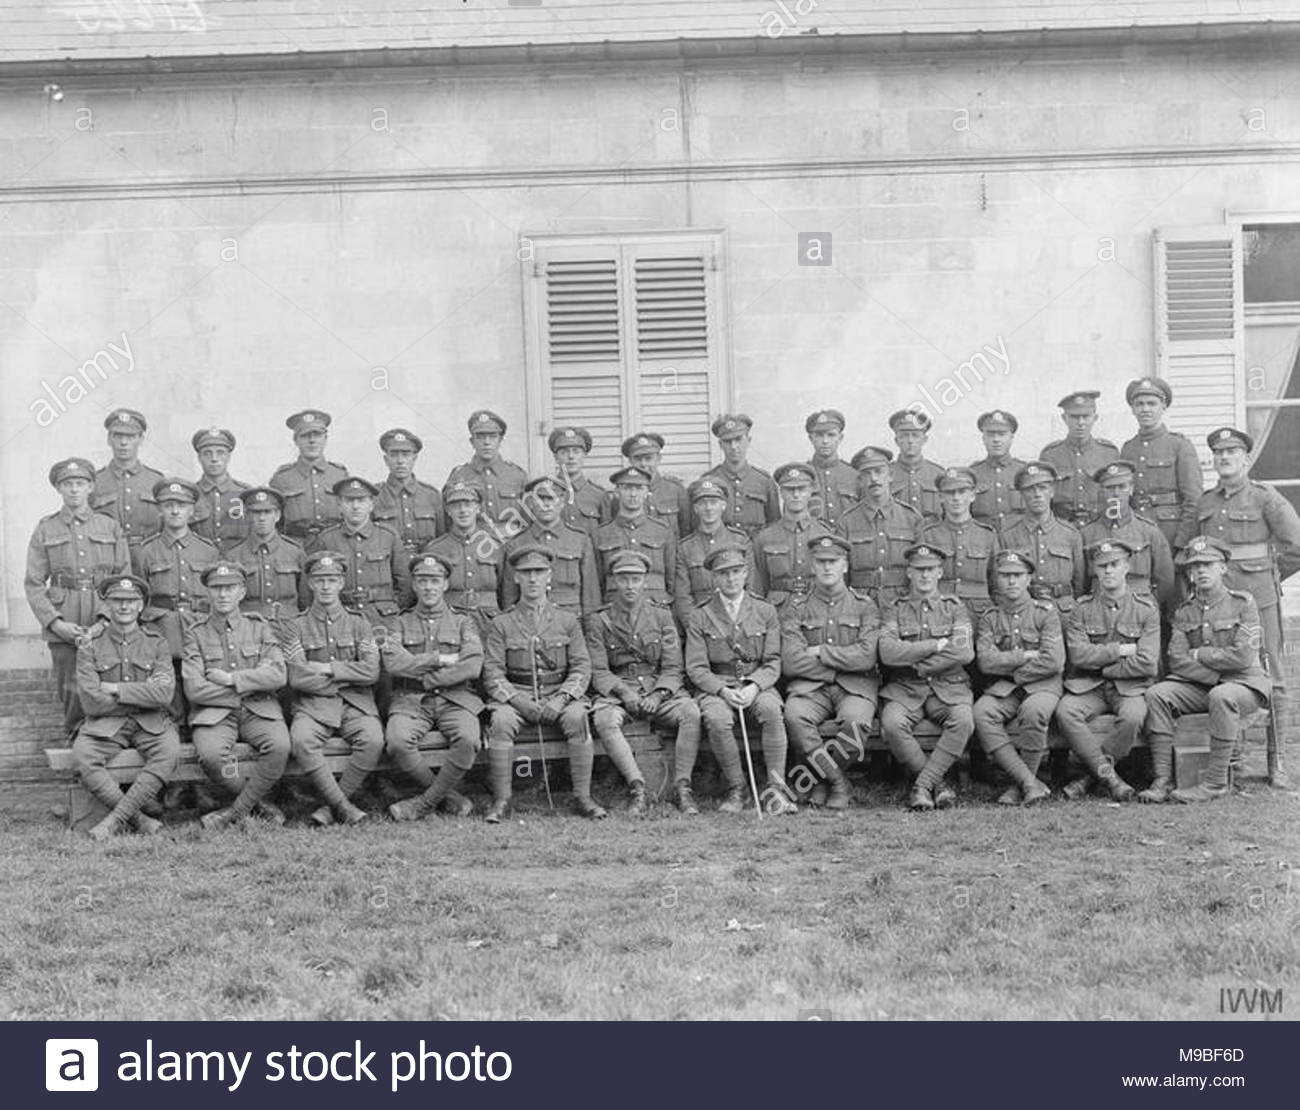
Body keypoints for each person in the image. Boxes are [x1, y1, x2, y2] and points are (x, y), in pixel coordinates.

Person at [1195, 426, 1300, 787]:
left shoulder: (1265, 498)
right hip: (1219, 605)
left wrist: (1267, 576)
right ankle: (1233, 760)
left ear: (1246, 458)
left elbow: (1296, 545)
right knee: (1225, 673)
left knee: (1273, 678)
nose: (1225, 458)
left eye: (1232, 452)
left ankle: (1277, 763)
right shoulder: (1206, 502)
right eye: (1219, 453)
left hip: (1260, 599)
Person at [1144, 536, 1272, 803]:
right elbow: (1177, 659)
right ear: (1189, 573)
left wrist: (1200, 654)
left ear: (1223, 568)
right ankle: (1162, 780)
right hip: (1204, 686)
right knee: (1157, 694)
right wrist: (1214, 674)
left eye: (1208, 564)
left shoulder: (1243, 603)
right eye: (1195, 567)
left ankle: (1214, 783)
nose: (1201, 571)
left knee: (1222, 695)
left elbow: (1242, 657)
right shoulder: (1185, 611)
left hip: (1246, 687)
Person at [482, 546, 604, 822]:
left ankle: (582, 797)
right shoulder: (502, 623)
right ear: (516, 578)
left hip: (557, 694)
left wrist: (561, 699)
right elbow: (492, 673)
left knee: (577, 717)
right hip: (518, 696)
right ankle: (502, 800)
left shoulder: (567, 620)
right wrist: (519, 701)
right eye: (526, 573)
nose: (533, 579)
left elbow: (582, 667)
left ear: (549, 576)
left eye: (539, 572)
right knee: (500, 722)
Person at [684, 545, 799, 815]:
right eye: (723, 574)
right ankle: (738, 789)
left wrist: (754, 686)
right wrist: (722, 691)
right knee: (716, 718)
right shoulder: (700, 615)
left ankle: (777, 790)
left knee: (772, 710)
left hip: (757, 682)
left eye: (736, 572)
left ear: (746, 573)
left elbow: (772, 661)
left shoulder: (765, 610)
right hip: (717, 685)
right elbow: (697, 667)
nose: (731, 579)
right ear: (714, 578)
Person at [588, 550, 702, 815]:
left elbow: (673, 666)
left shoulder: (662, 616)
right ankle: (637, 788)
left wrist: (659, 694)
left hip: (656, 691)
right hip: (619, 693)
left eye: (636, 579)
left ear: (645, 581)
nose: (630, 586)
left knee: (691, 712)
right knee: (604, 719)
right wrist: (624, 691)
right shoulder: (599, 620)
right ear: (614, 581)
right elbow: (599, 670)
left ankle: (682, 788)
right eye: (624, 579)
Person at [181, 563, 290, 830]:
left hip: (259, 710)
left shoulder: (259, 628)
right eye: (216, 588)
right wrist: (251, 683)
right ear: (207, 592)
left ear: (241, 592)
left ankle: (234, 811)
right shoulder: (196, 633)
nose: (223, 595)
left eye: (229, 588)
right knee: (215, 758)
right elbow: (194, 688)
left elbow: (278, 675)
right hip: (216, 713)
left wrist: (233, 680)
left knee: (279, 747)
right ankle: (257, 805)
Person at [26, 457, 130, 735]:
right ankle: (76, 744)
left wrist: (105, 622)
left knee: (109, 682)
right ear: (59, 488)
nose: (74, 489)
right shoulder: (46, 528)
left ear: (91, 487)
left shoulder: (109, 527)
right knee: (71, 690)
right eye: (68, 484)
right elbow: (34, 584)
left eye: (80, 483)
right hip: (64, 618)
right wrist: (56, 624)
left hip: (104, 616)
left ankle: (110, 743)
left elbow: (123, 579)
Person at [71, 574, 179, 840]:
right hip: (106, 725)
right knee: (84, 755)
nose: (124, 607)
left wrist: (117, 689)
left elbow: (164, 694)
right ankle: (140, 818)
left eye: (131, 601)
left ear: (141, 605)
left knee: (169, 752)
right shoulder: (91, 646)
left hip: (150, 723)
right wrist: (143, 695)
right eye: (117, 600)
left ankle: (114, 820)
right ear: (106, 605)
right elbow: (90, 701)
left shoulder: (157, 642)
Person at [281, 551, 381, 826]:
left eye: (332, 579)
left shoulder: (360, 623)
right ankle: (342, 806)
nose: (326, 586)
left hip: (356, 704)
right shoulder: (295, 627)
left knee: (373, 740)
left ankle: (329, 808)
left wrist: (327, 669)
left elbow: (372, 672)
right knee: (301, 740)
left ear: (341, 583)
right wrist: (349, 674)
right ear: (310, 584)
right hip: (313, 705)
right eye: (320, 580)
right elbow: (298, 678)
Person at [1054, 540, 1159, 802]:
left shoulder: (1146, 609)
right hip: (1090, 686)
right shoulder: (1082, 608)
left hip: (1128, 687)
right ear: (1095, 572)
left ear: (1127, 567)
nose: (1108, 571)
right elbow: (1079, 656)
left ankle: (1091, 777)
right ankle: (1111, 779)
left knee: (1134, 716)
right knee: (1066, 711)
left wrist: (1102, 664)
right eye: (1102, 566)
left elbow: (1147, 662)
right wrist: (1121, 651)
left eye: (1114, 564)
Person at [781, 535, 880, 810]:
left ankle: (816, 779)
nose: (827, 568)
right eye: (821, 562)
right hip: (811, 687)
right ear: (812, 566)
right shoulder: (797, 608)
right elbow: (791, 662)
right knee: (795, 716)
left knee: (856, 724)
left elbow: (866, 656)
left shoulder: (864, 606)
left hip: (856, 686)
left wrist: (822, 651)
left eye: (833, 562)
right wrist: (838, 667)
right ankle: (837, 782)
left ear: (845, 565)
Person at [383, 554, 483, 822]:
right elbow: (393, 662)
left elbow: (472, 666)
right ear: (414, 585)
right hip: (410, 700)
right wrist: (438, 659)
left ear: (446, 584)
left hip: (456, 698)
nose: (428, 587)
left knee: (468, 739)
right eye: (422, 581)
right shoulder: (399, 622)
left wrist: (427, 678)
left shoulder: (464, 622)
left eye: (434, 581)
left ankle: (423, 803)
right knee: (397, 742)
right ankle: (450, 798)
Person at [878, 543, 976, 811]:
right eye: (918, 570)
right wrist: (934, 645)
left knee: (963, 721)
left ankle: (922, 786)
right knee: (892, 722)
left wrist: (919, 665)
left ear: (940, 573)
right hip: (905, 689)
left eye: (930, 569)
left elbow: (964, 652)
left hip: (949, 687)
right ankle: (939, 784)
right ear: (909, 573)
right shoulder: (894, 609)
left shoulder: (955, 608)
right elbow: (887, 652)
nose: (924, 575)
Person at [973, 551, 1063, 806]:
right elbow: (985, 661)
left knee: (1033, 712)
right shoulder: (990, 617)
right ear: (997, 579)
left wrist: (1013, 667)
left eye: (1017, 575)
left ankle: (1020, 784)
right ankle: (1028, 782)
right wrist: (1025, 655)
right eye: (1005, 576)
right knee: (982, 712)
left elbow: (1054, 660)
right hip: (1007, 689)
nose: (1011, 581)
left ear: (1029, 579)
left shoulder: (1045, 613)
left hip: (1043, 685)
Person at [132, 479, 219, 717]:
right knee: (167, 686)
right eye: (168, 505)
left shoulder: (208, 550)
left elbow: (216, 594)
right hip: (161, 627)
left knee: (200, 683)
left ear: (192, 510)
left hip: (197, 625)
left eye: (181, 505)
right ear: (159, 509)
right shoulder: (146, 551)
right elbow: (138, 597)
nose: (175, 510)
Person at [312, 477, 412, 629]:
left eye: (361, 500)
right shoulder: (327, 539)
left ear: (371, 504)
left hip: (383, 620)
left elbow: (405, 584)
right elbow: (312, 586)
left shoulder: (388, 536)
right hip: (341, 618)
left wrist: (391, 609)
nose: (355, 506)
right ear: (339, 505)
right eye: (349, 501)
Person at [1079, 460, 1175, 613]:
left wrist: (1147, 606)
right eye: (1110, 488)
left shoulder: (1149, 532)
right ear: (1101, 491)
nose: (1116, 493)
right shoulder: (1086, 534)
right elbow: (1080, 583)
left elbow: (1166, 580)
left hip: (1141, 612)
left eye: (1122, 487)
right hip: (1097, 611)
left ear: (1131, 489)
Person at [1120, 376, 1201, 554]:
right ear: (1133, 409)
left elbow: (1194, 500)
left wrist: (1182, 543)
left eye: (1151, 403)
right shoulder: (1128, 449)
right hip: (1136, 535)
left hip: (1169, 535)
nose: (1145, 409)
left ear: (1163, 407)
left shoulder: (1179, 446)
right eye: (1139, 404)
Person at [501, 476, 601, 618]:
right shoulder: (517, 543)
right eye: (541, 499)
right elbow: (509, 595)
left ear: (562, 503)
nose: (546, 505)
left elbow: (591, 595)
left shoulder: (580, 540)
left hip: (571, 619)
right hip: (529, 620)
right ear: (531, 503)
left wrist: (590, 629)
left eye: (552, 499)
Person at [840, 445, 923, 608]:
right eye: (867, 474)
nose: (874, 479)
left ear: (890, 475)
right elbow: (842, 575)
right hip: (860, 603)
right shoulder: (847, 521)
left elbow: (921, 568)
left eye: (878, 471)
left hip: (902, 603)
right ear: (860, 481)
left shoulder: (911, 518)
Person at [998, 462, 1086, 613]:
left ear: (1052, 492)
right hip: (1023, 611)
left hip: (1063, 611)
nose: (1037, 494)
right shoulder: (1007, 535)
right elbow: (999, 583)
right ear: (1021, 495)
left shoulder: (1070, 534)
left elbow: (1080, 583)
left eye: (1043, 488)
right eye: (1030, 489)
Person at [421, 481, 506, 636]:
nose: (462, 510)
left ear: (478, 508)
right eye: (456, 505)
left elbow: (505, 591)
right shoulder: (435, 549)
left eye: (468, 504)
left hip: (489, 621)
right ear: (448, 510)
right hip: (448, 622)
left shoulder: (495, 545)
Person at [672, 477, 754, 626]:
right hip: (700, 624)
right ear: (695, 508)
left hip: (739, 622)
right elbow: (683, 597)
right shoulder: (685, 547)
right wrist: (696, 628)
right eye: (702, 503)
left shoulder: (740, 541)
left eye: (713, 502)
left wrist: (743, 625)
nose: (708, 508)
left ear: (723, 505)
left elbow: (752, 587)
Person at [751, 463, 833, 609]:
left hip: (816, 609)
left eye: (801, 489)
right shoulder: (764, 538)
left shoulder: (825, 535)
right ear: (781, 492)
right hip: (778, 611)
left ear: (810, 491)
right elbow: (757, 588)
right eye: (790, 490)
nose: (796, 495)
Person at [921, 467, 1000, 620]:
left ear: (972, 495)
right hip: (940, 613)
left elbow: (997, 584)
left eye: (962, 492)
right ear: (941, 497)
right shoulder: (929, 535)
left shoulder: (987, 535)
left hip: (980, 614)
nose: (956, 498)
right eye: (950, 493)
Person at [594, 466, 676, 607]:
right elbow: (597, 581)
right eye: (627, 488)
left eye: (639, 488)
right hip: (615, 607)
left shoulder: (663, 531)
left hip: (655, 605)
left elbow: (672, 577)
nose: (633, 494)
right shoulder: (601, 533)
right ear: (617, 492)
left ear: (647, 492)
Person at [225, 487, 307, 628]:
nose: (262, 518)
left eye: (267, 512)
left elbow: (306, 600)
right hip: (248, 628)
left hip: (290, 627)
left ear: (277, 515)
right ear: (248, 516)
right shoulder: (233, 556)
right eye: (256, 513)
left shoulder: (295, 552)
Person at [1038, 391, 1119, 527]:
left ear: (1095, 417)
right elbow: (1043, 499)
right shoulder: (1050, 455)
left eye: (1085, 417)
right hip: (1062, 527)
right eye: (1074, 417)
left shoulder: (1109, 453)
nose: (1080, 423)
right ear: (1064, 418)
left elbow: (1117, 497)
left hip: (1099, 526)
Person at [269, 409, 349, 543]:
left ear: (325, 439)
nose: (312, 441)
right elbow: (272, 523)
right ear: (295, 440)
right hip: (297, 548)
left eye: (317, 435)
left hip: (334, 547)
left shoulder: (339, 475)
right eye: (305, 436)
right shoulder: (282, 479)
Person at [444, 409, 528, 533]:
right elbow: (448, 522)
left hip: (511, 544)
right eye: (481, 437)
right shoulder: (459, 476)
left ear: (500, 440)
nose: (487, 442)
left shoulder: (517, 476)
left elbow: (528, 520)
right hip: (475, 546)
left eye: (492, 437)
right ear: (472, 442)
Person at [92, 408, 163, 549]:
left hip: (148, 557)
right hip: (108, 555)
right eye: (118, 436)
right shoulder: (95, 481)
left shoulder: (156, 481)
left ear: (141, 439)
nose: (123, 442)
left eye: (130, 436)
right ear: (109, 439)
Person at [702, 414, 780, 537]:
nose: (733, 447)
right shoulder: (710, 480)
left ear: (748, 440)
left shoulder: (764, 481)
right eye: (728, 441)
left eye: (738, 439)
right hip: (721, 550)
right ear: (721, 445)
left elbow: (774, 524)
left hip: (755, 551)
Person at [373, 428, 442, 556]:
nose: (400, 461)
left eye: (406, 454)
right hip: (389, 569)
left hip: (426, 569)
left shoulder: (431, 496)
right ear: (386, 459)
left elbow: (443, 539)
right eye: (394, 455)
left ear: (414, 458)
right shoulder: (375, 496)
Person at [189, 427, 250, 552]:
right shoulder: (190, 495)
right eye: (207, 453)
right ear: (199, 458)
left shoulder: (244, 494)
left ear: (228, 456)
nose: (214, 459)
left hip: (237, 565)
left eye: (220, 452)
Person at [622, 432, 692, 538]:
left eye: (648, 458)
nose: (643, 464)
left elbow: (686, 529)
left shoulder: (675, 490)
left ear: (658, 458)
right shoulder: (623, 494)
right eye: (637, 459)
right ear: (630, 461)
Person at [549, 426, 611, 539]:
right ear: (556, 457)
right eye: (564, 452)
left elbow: (607, 537)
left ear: (584, 455)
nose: (571, 457)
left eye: (576, 451)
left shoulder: (599, 495)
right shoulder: (545, 493)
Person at [970, 410, 1027, 530]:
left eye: (1002, 434)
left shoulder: (1024, 471)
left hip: (1018, 540)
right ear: (983, 438)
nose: (996, 440)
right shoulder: (972, 473)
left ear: (1011, 437)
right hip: (984, 541)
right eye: (990, 434)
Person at [804, 409, 860, 528]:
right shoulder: (803, 475)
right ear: (810, 438)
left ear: (840, 438)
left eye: (831, 435)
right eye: (819, 435)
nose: (825, 441)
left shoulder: (854, 475)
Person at [888, 408, 945, 521]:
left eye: (915, 435)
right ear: (896, 440)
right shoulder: (886, 473)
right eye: (904, 435)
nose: (910, 440)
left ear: (924, 439)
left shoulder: (938, 474)